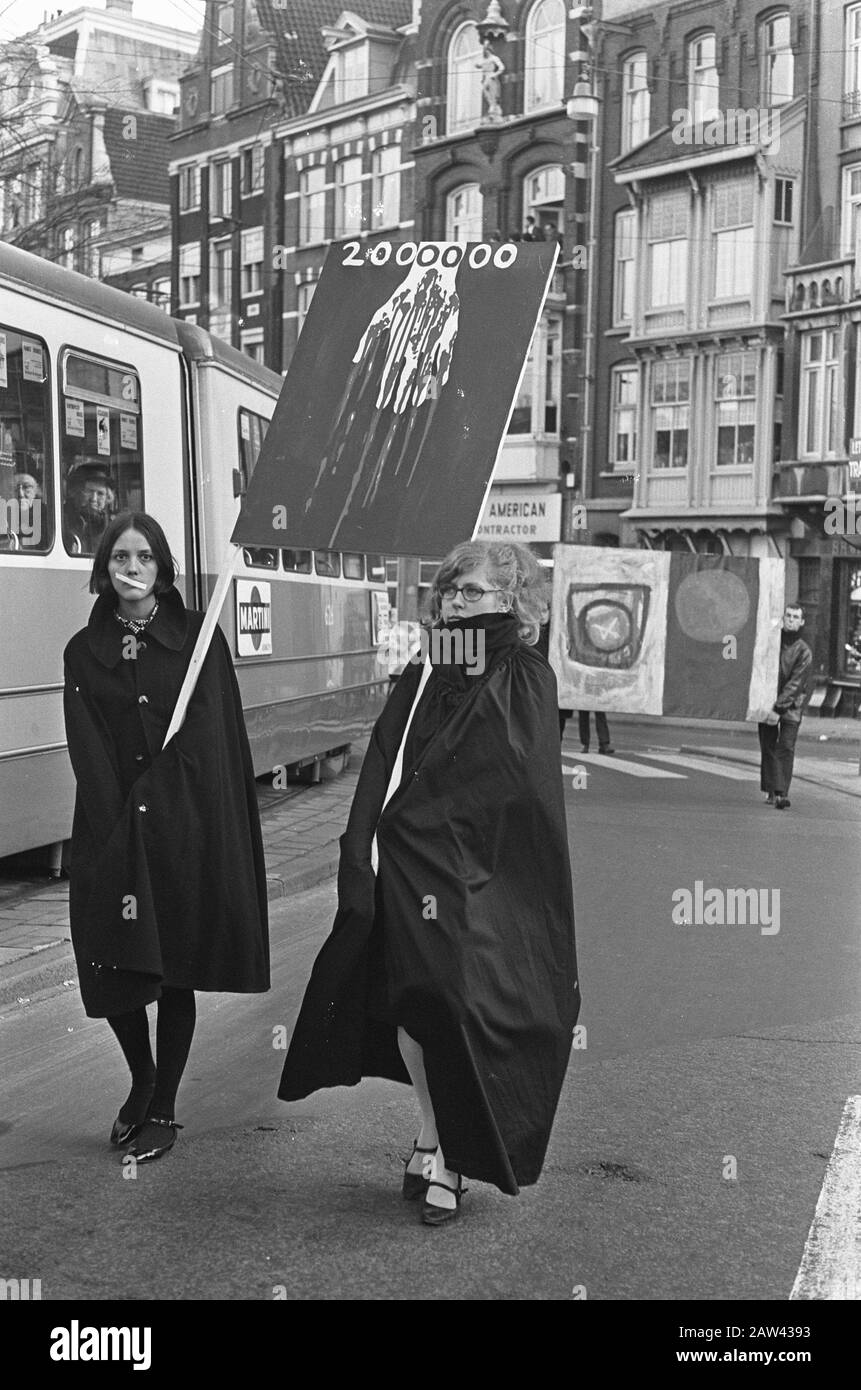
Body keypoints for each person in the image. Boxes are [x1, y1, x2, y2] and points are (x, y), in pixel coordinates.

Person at [278, 540, 579, 1224]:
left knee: (451, 1006)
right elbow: (384, 759)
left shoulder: (524, 675)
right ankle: (432, 1136)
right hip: (402, 866)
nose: (456, 603)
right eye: (450, 592)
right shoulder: (422, 673)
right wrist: (359, 846)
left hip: (474, 878)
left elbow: (511, 785)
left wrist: (435, 837)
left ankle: (449, 1155)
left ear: (513, 602)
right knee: (411, 1005)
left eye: (472, 593)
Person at [63, 512, 269, 1162]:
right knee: (110, 959)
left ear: (161, 567)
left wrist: (158, 802)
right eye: (121, 556)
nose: (132, 567)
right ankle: (142, 1077)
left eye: (144, 556)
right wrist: (120, 814)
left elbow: (209, 740)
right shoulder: (82, 650)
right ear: (105, 567)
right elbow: (86, 743)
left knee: (172, 968)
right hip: (111, 831)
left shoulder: (200, 641)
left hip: (180, 831)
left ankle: (165, 1106)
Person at [758, 603, 812, 810]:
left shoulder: (804, 651)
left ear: (801, 622)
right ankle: (772, 790)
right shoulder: (772, 643)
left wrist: (778, 709)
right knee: (768, 746)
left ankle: (781, 793)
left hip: (790, 707)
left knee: (786, 747)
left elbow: (796, 683)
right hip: (767, 702)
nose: (790, 620)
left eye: (795, 617)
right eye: (788, 616)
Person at [63, 471, 112, 554]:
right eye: (89, 492)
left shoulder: (112, 528)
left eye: (100, 493)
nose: (94, 499)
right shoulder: (62, 520)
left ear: (107, 499)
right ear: (77, 493)